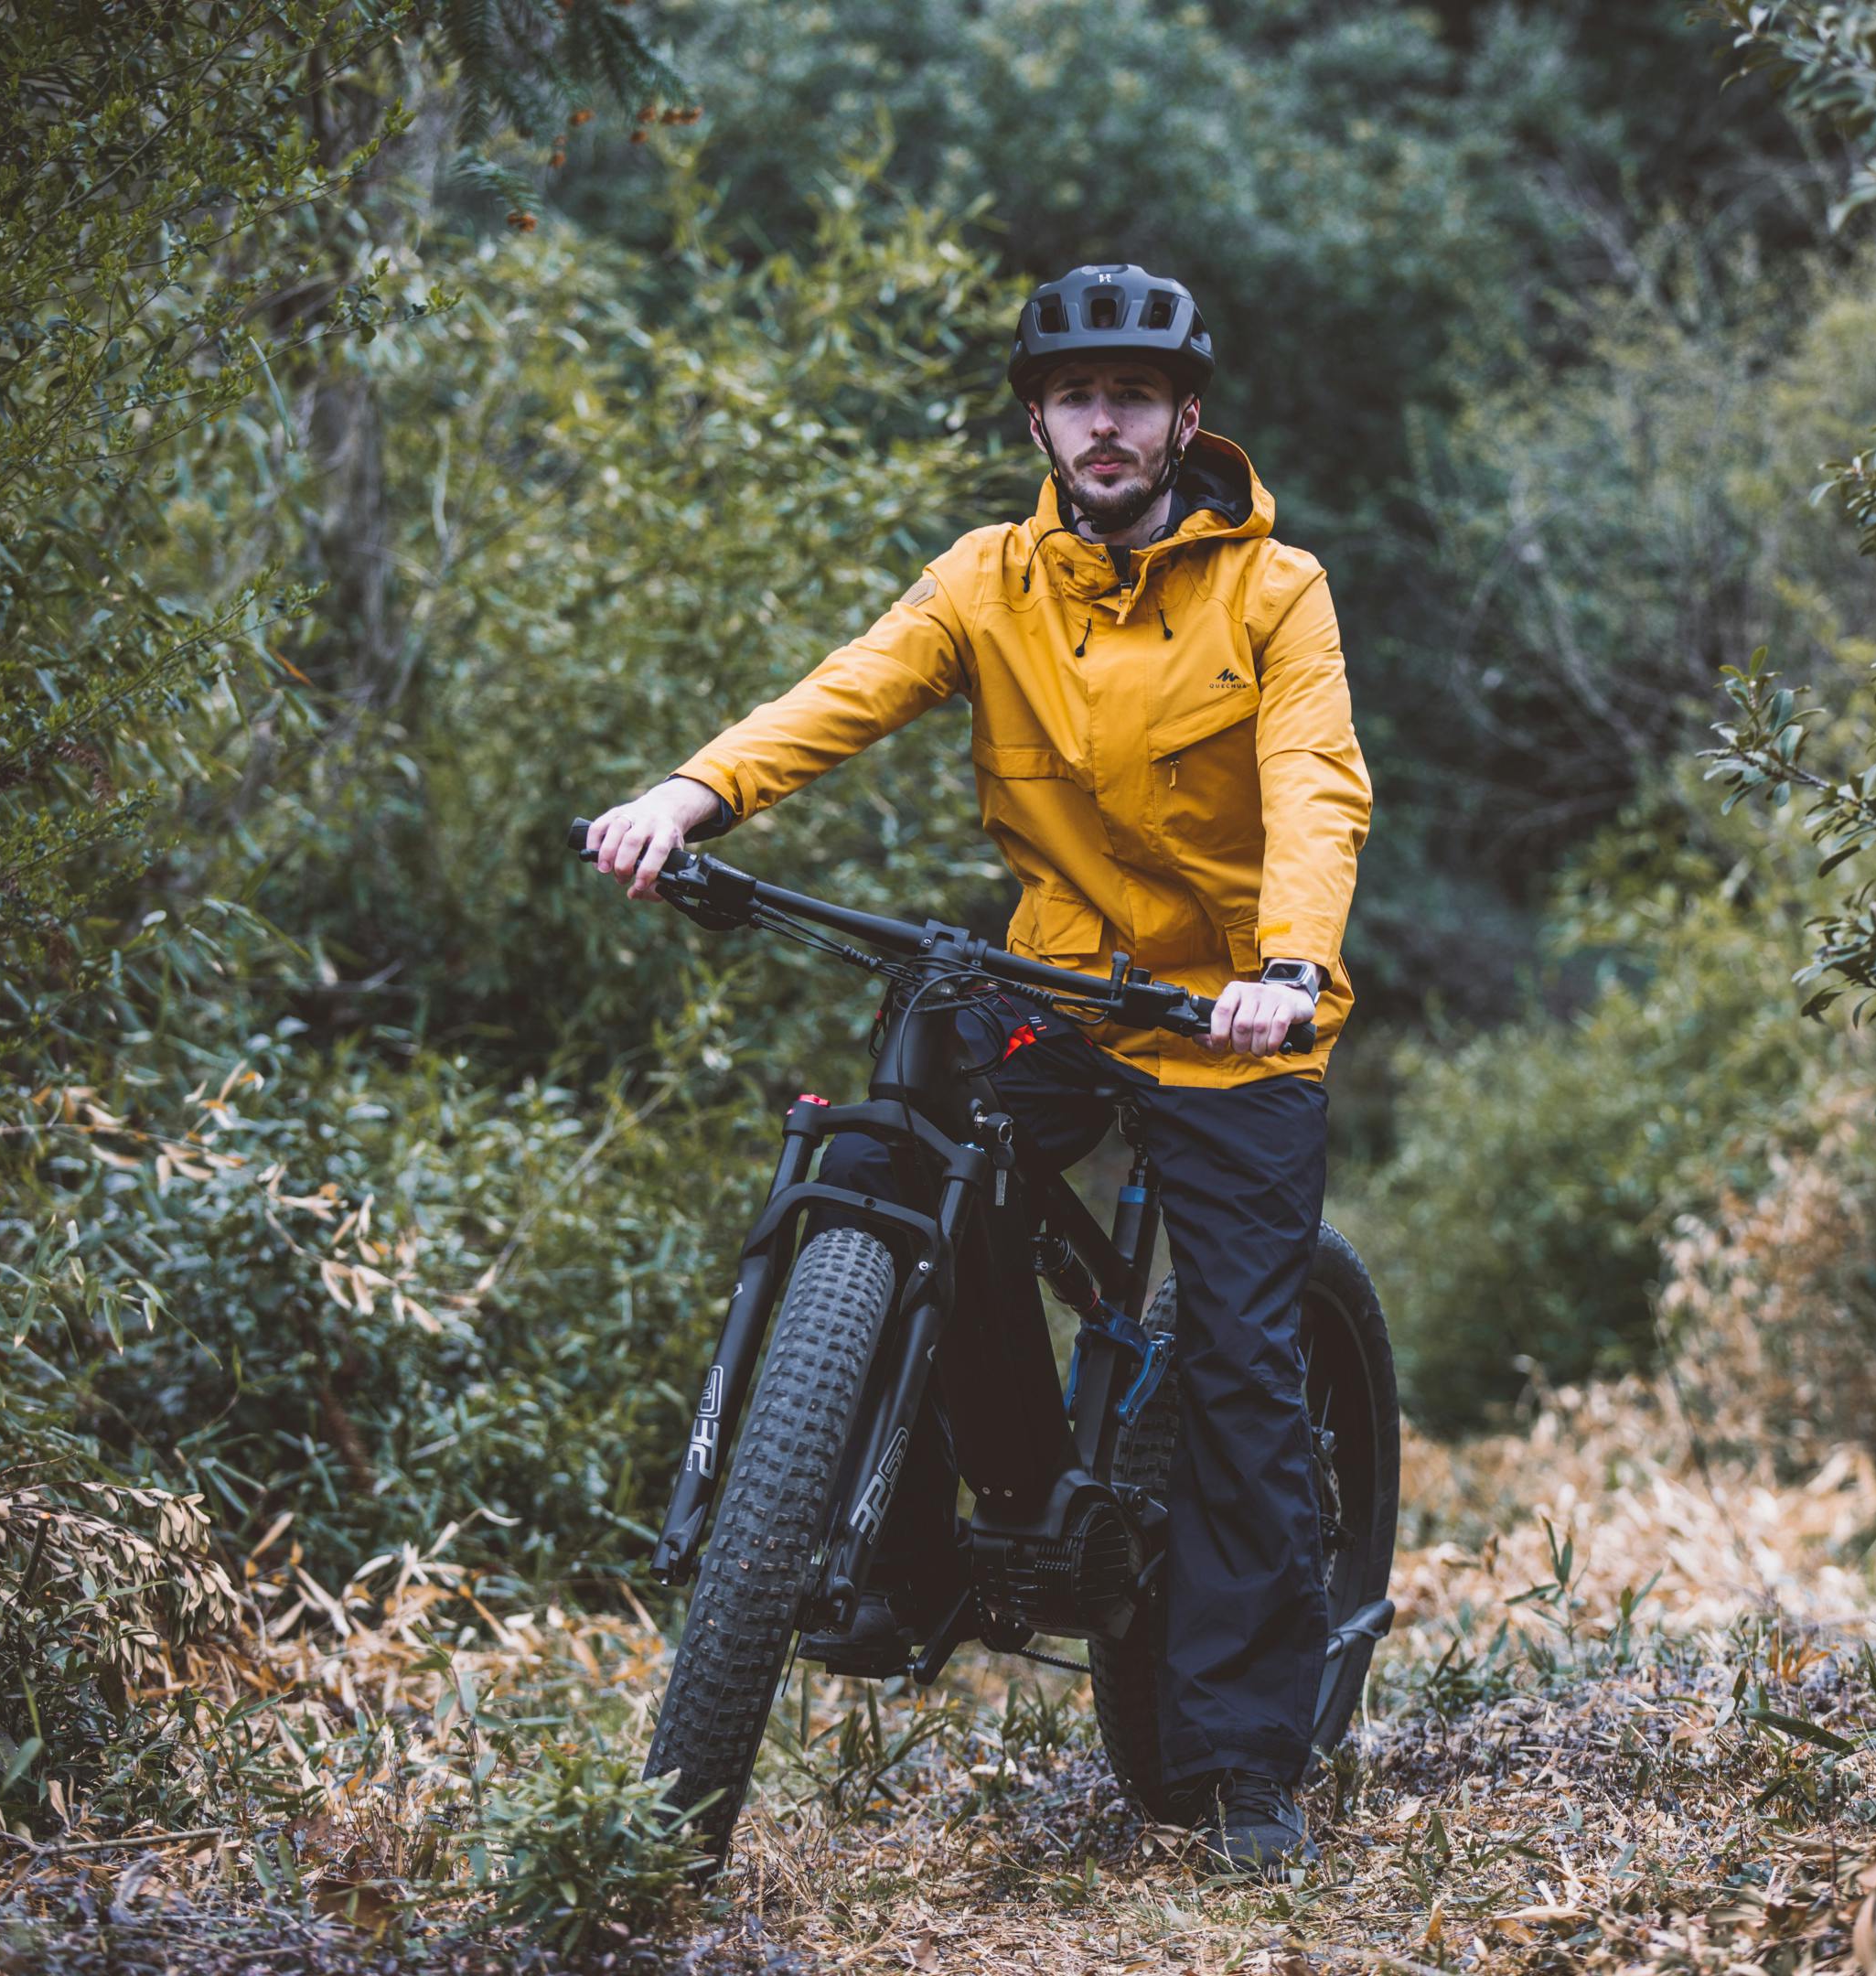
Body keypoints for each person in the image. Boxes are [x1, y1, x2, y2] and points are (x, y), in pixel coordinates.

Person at [584, 263, 1369, 1872]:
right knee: (906, 1155)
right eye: (1075, 395)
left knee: (1236, 1370)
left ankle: (1239, 1771)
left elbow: (1315, 784)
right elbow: (844, 694)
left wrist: (1287, 967)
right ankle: (936, 1539)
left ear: (1184, 422)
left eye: (1132, 397)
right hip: (1060, 978)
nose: (1104, 420)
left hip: (1231, 1012)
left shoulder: (1274, 591)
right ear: (1038, 418)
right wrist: (689, 796)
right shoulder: (985, 578)